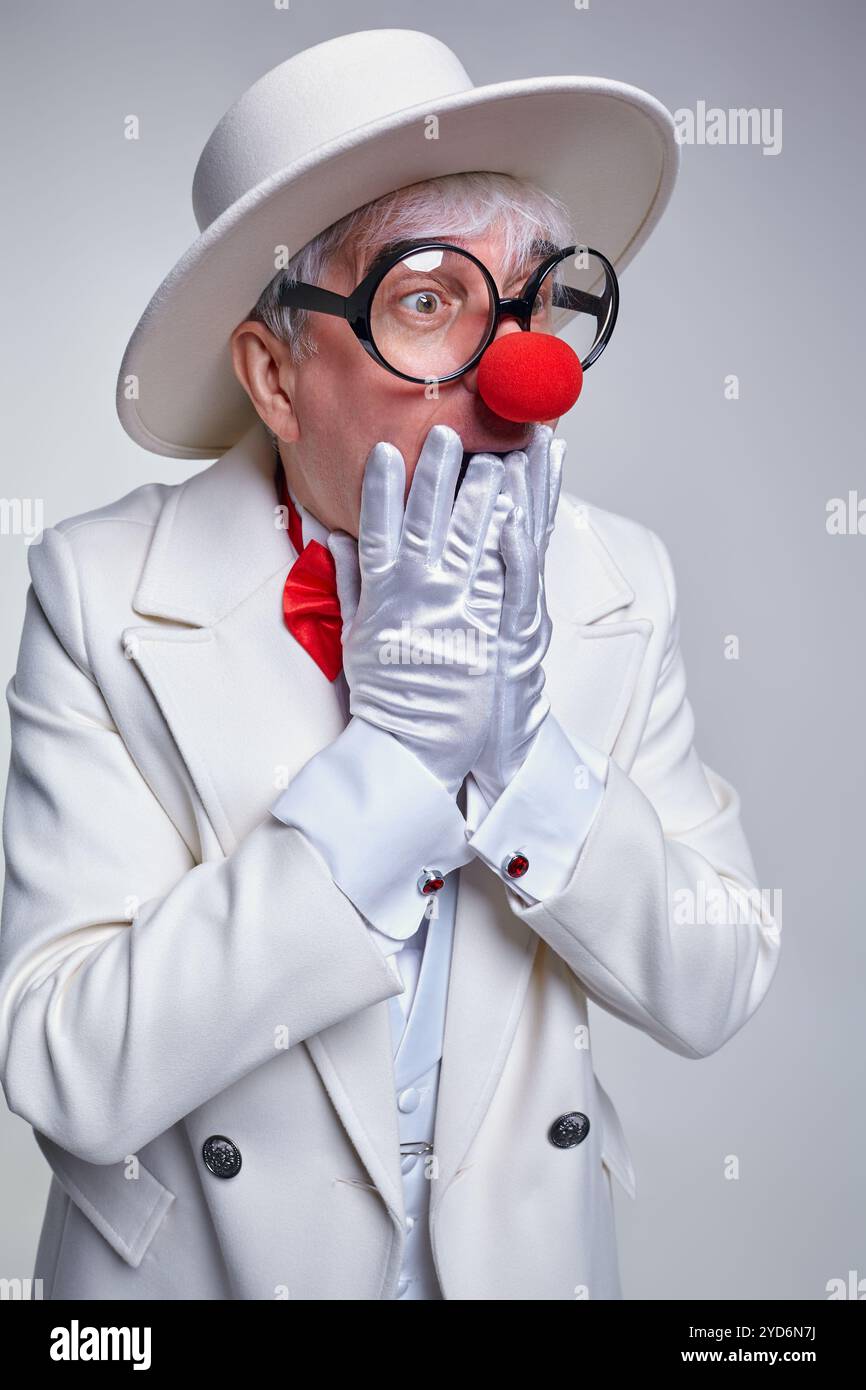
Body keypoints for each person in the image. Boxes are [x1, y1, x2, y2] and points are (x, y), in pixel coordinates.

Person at [0, 28, 780, 1301]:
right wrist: (387, 776)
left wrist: (530, 768)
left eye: (530, 302)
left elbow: (715, 979)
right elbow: (67, 1067)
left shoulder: (615, 582)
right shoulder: (98, 593)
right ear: (273, 372)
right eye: (426, 301)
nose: (515, 377)